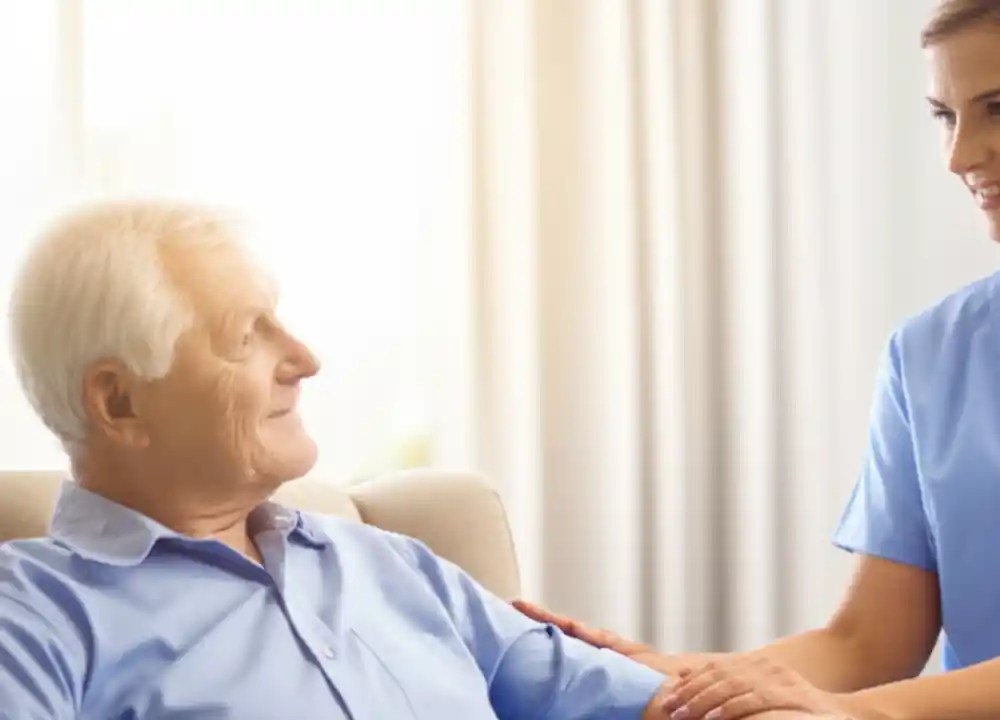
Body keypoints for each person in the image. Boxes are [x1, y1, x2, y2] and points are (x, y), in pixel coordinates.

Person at [516, 1, 1000, 718]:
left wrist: (847, 714)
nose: (959, 155)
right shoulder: (932, 352)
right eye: (946, 116)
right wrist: (675, 676)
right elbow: (868, 644)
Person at [1, 200, 741, 720]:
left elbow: (649, 703)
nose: (304, 359)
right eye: (246, 335)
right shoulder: (31, 620)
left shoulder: (394, 568)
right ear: (121, 402)